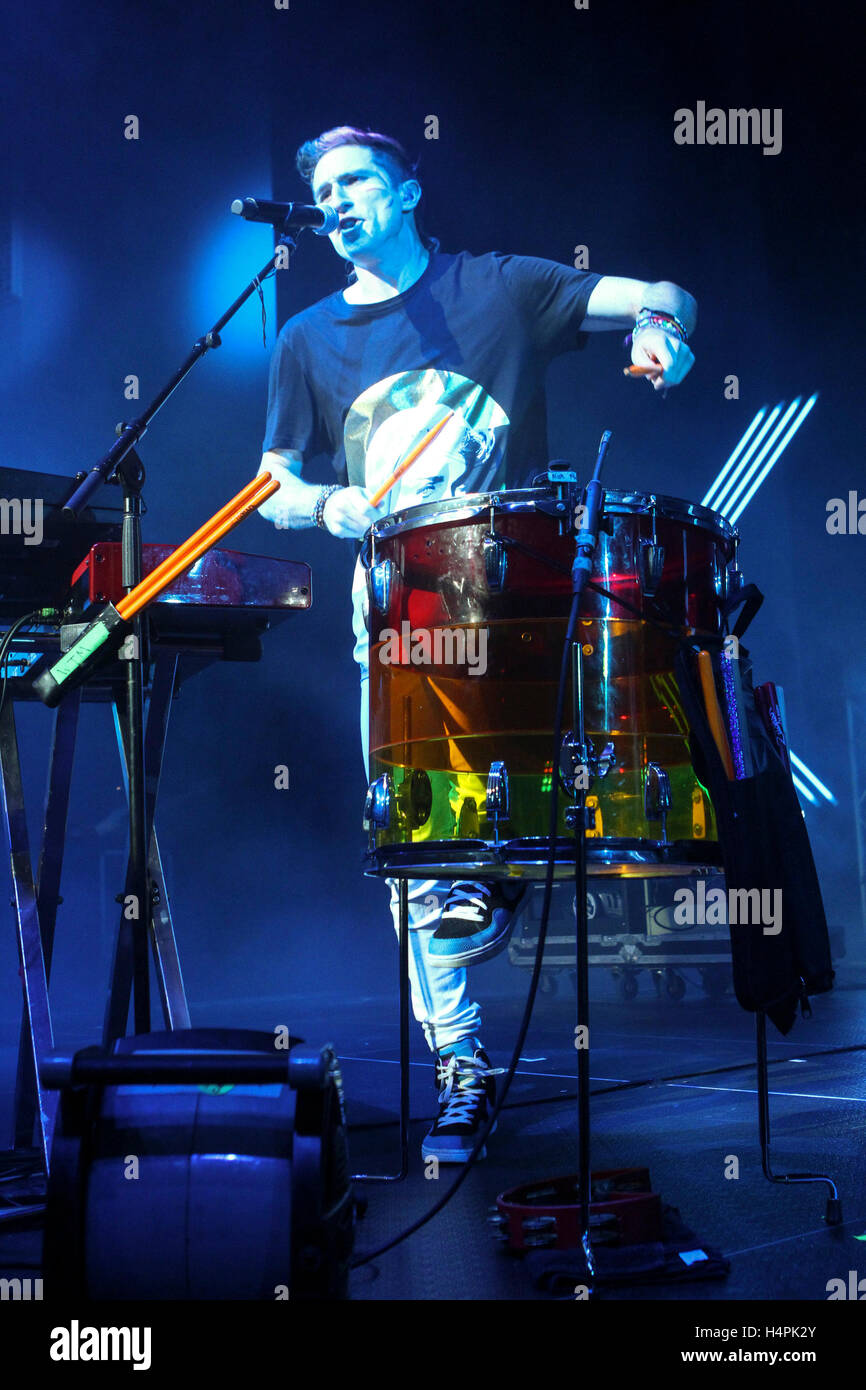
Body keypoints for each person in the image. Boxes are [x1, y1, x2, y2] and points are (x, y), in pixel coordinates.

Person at [256, 125, 696, 1163]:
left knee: (507, 822)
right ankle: (461, 1070)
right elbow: (272, 481)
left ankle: (494, 869)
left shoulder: (499, 288)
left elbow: (660, 290)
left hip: (520, 606)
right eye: (322, 189)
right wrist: (327, 507)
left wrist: (664, 334)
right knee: (412, 850)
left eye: (357, 178)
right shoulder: (304, 338)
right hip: (395, 616)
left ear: (408, 189)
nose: (338, 199)